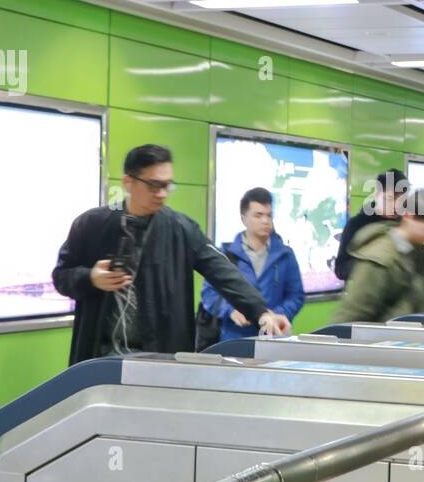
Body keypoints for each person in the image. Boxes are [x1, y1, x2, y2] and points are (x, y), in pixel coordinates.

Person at [53, 145, 290, 365]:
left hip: (161, 357)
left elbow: (221, 270)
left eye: (167, 185)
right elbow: (62, 276)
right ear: (128, 182)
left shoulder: (181, 229)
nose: (162, 193)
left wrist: (260, 312)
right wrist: (90, 278)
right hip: (99, 357)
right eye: (154, 185)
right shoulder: (92, 224)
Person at [202, 187, 305, 342]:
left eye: (269, 215)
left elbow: (296, 295)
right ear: (244, 218)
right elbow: (209, 295)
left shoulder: (285, 255)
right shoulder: (226, 255)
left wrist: (273, 315)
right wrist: (231, 311)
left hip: (274, 338)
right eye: (258, 215)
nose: (265, 221)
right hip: (233, 339)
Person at [332, 188, 424, 323]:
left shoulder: (419, 252)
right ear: (408, 216)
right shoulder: (379, 258)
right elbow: (350, 315)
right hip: (381, 341)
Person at [333, 169, 407, 284]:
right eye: (391, 198)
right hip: (366, 296)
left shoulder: (404, 226)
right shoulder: (356, 225)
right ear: (377, 194)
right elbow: (340, 270)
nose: (396, 206)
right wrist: (369, 261)